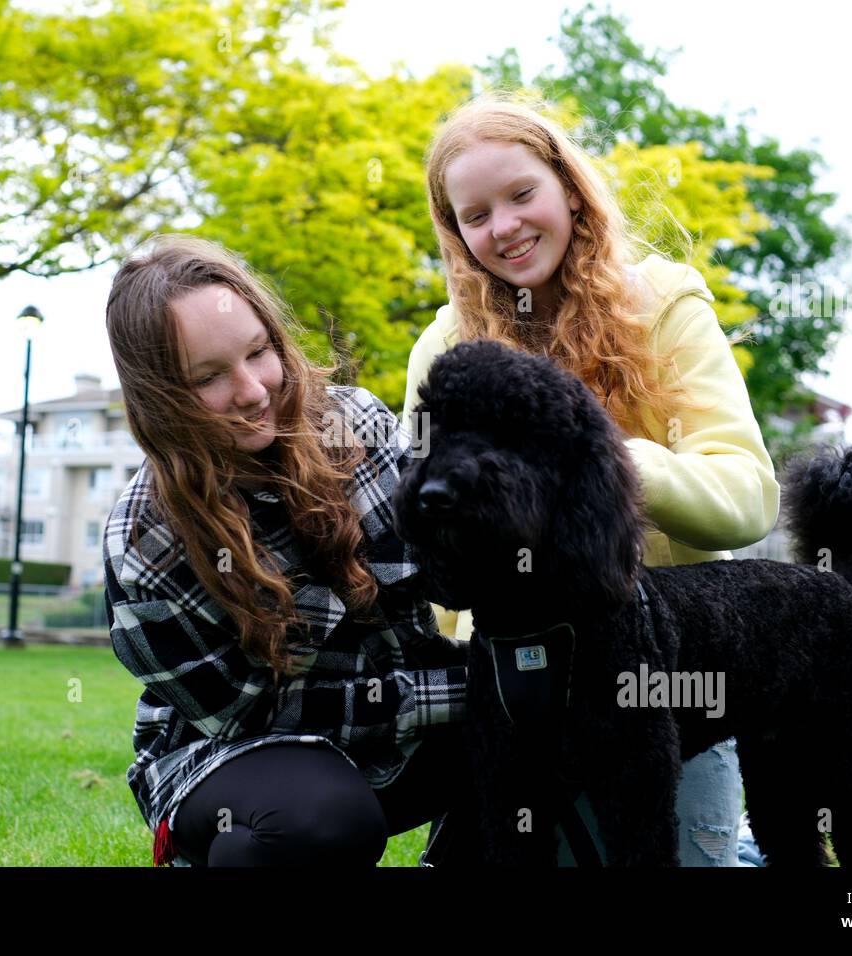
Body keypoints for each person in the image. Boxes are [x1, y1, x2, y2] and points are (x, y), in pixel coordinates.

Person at [403, 93, 779, 867]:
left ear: (569, 188)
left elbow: (748, 498)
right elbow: (431, 531)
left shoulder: (663, 303)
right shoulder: (442, 345)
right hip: (517, 678)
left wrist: (613, 465)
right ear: (455, 231)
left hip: (666, 670)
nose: (502, 227)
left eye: (521, 194)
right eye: (475, 215)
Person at [102, 234, 473, 867]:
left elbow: (457, 574)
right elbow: (255, 714)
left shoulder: (355, 423)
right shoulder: (145, 542)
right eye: (208, 377)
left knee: (549, 720)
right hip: (240, 760)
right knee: (319, 819)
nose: (251, 391)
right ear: (159, 397)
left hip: (408, 716)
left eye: (258, 352)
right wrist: (462, 689)